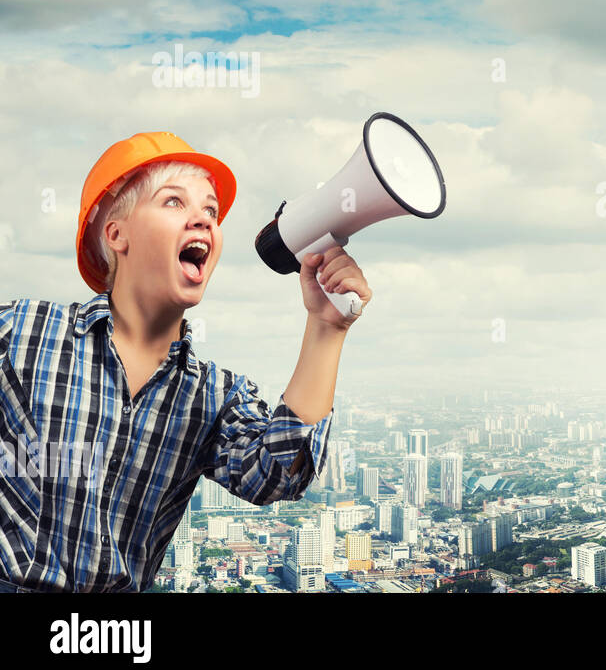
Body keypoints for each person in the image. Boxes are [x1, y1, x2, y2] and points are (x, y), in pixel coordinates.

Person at [0, 131, 371, 592]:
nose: (203, 220)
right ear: (117, 234)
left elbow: (276, 475)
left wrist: (327, 328)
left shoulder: (214, 396)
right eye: (174, 202)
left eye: (211, 211)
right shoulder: (21, 333)